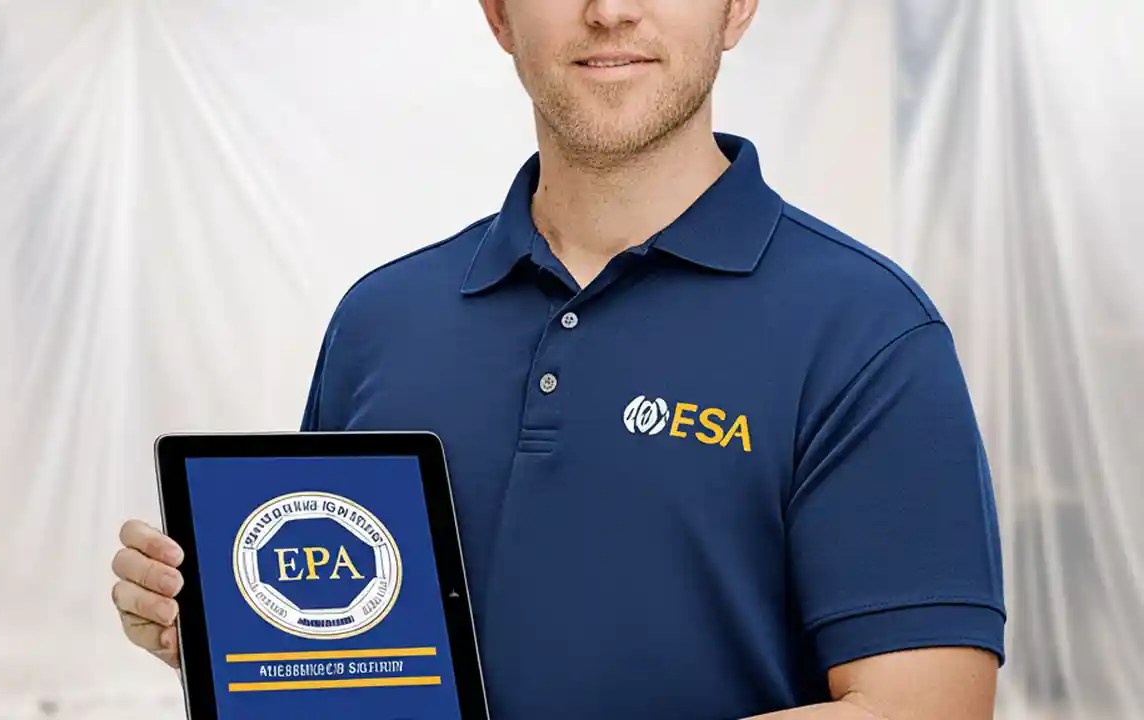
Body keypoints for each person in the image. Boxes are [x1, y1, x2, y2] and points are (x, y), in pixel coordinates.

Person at [110, 1, 1006, 717]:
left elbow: (923, 708)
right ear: (498, 15)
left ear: (737, 8)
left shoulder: (867, 332)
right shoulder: (381, 320)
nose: (609, 11)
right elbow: (362, 667)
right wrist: (247, 639)